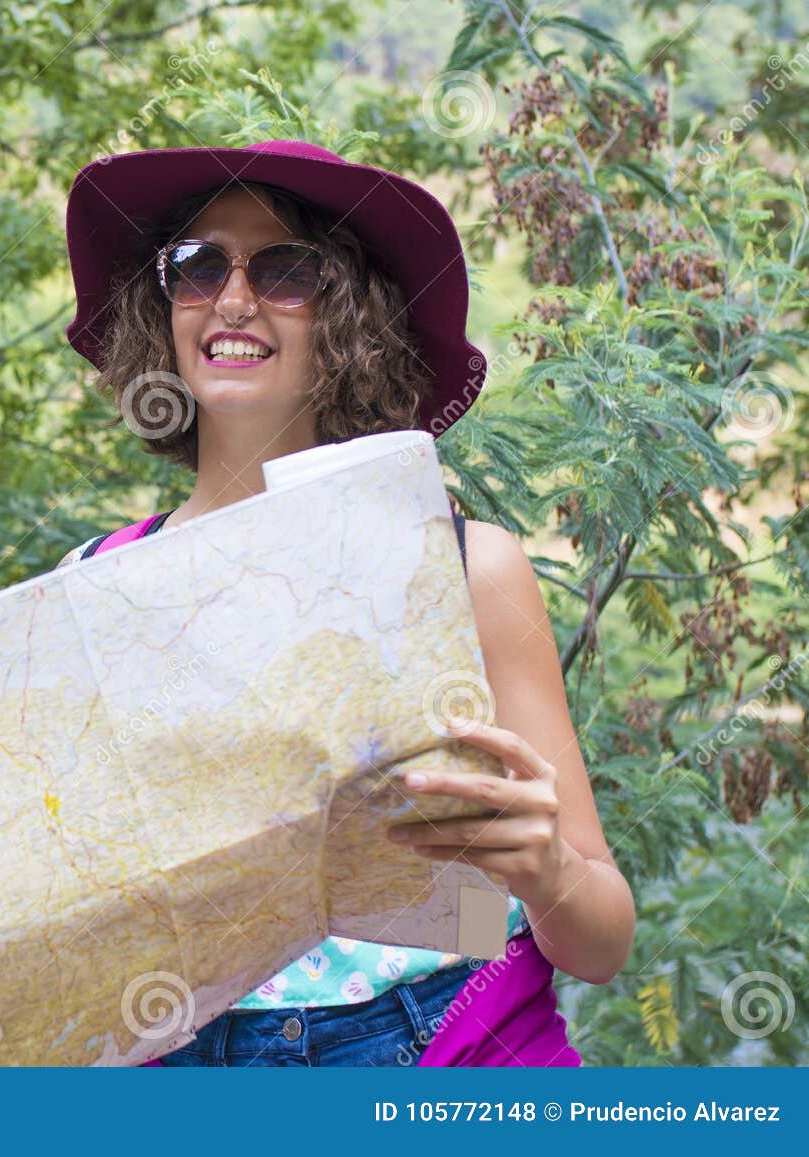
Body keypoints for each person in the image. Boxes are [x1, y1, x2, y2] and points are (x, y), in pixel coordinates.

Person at [58, 139, 635, 1066]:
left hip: (453, 1039)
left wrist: (550, 870)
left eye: (286, 269)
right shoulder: (91, 585)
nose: (233, 299)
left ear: (352, 316)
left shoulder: (462, 563)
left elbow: (602, 941)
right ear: (159, 306)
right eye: (198, 266)